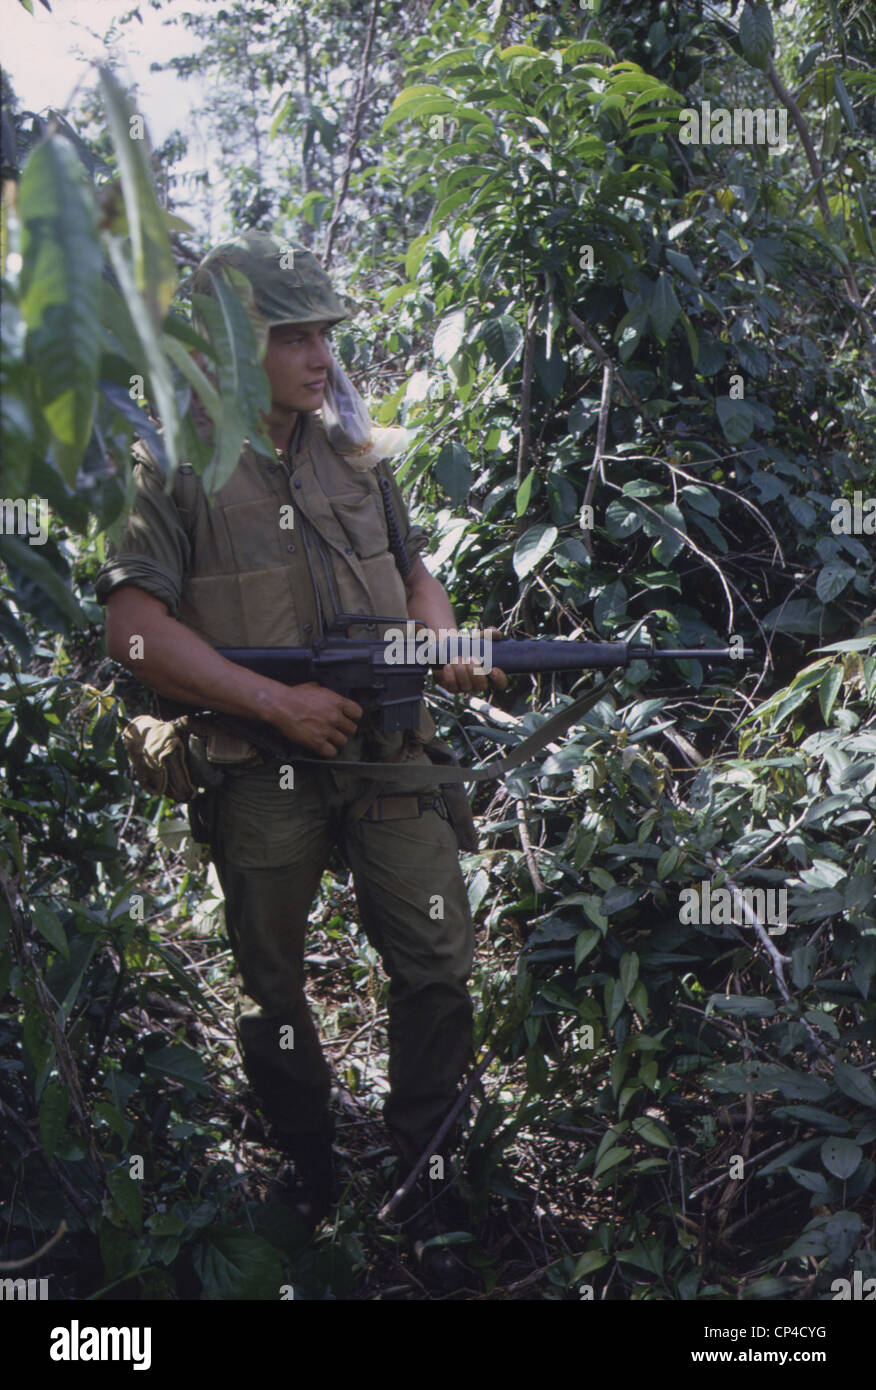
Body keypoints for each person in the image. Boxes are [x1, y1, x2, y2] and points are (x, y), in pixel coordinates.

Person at [95, 229, 506, 1289]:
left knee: (437, 963)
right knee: (272, 987)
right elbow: (133, 628)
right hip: (257, 761)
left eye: (325, 333)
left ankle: (428, 1174)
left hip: (386, 756)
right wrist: (272, 698)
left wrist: (446, 643)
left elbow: (415, 574)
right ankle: (310, 1164)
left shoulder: (354, 449)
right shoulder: (172, 464)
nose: (320, 355)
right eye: (293, 335)